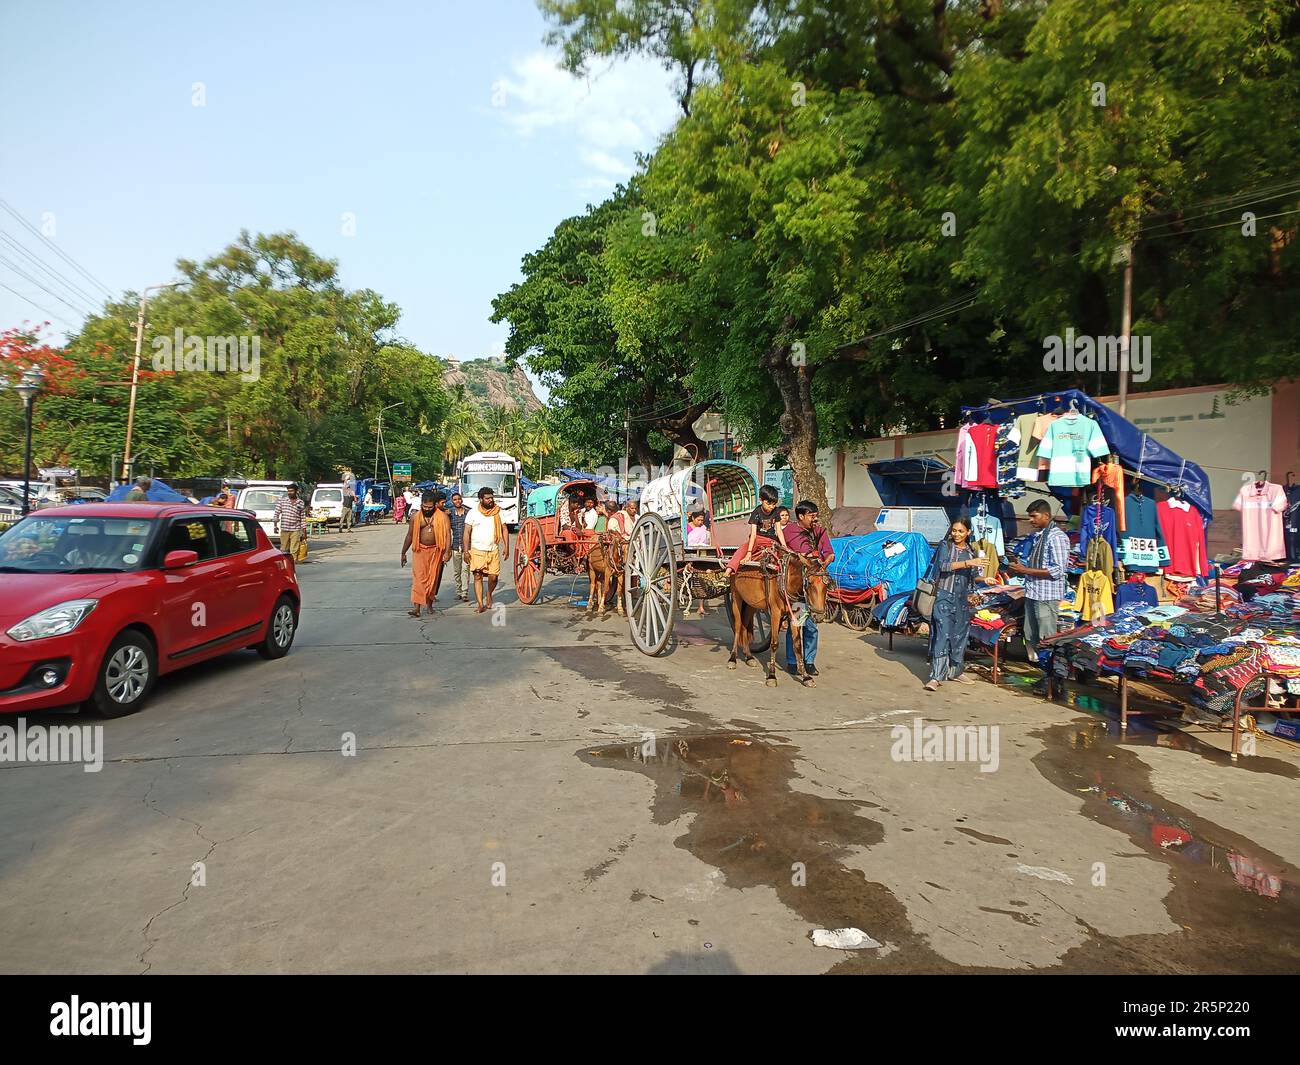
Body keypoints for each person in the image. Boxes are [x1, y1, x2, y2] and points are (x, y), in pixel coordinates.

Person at [923, 517, 999, 691]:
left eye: (961, 531)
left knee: (959, 636)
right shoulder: (945, 546)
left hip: (962, 600)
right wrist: (968, 562)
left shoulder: (971, 550)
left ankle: (955, 671)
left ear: (968, 533)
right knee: (942, 636)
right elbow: (943, 566)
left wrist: (984, 579)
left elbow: (972, 576)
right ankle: (936, 676)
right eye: (954, 530)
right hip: (943, 597)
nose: (956, 534)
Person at [1007, 499, 1071, 695]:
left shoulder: (1056, 537)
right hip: (1033, 593)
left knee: (1046, 638)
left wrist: (1025, 569)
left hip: (1047, 596)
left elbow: (1058, 570)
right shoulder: (1038, 537)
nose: (1030, 520)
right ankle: (1047, 675)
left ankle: (1053, 680)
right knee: (1032, 636)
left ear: (1046, 515)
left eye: (1034, 516)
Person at [781, 500, 836, 675]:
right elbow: (786, 554)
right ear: (801, 516)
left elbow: (829, 552)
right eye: (811, 516)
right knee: (796, 623)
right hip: (797, 587)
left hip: (815, 585)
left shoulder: (820, 532)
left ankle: (809, 661)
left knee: (812, 626)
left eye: (815, 516)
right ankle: (792, 660)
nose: (815, 519)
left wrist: (827, 560)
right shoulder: (789, 531)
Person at [401, 490, 452, 617]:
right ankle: (416, 608)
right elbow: (409, 535)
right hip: (420, 550)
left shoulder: (443, 517)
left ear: (435, 505)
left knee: (432, 579)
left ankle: (429, 604)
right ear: (421, 504)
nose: (427, 509)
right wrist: (403, 552)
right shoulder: (415, 517)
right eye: (424, 507)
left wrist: (447, 551)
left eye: (430, 507)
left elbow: (447, 536)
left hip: (436, 551)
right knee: (419, 578)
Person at [464, 486, 508, 613]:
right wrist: (466, 551)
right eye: (487, 498)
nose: (490, 500)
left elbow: (504, 529)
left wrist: (506, 547)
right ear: (480, 499)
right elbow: (467, 532)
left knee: (493, 577)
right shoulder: (473, 513)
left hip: (493, 548)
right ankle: (480, 604)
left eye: (491, 498)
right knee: (477, 576)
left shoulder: (498, 511)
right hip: (477, 549)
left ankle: (489, 594)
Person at [727, 483, 786, 573]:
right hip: (757, 539)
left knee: (786, 557)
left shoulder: (776, 511)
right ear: (761, 500)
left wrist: (784, 546)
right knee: (742, 549)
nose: (771, 507)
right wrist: (749, 552)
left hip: (771, 541)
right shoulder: (756, 512)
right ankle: (729, 569)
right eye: (768, 503)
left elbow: (779, 530)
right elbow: (753, 534)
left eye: (774, 504)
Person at [273, 483, 308, 560]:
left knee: (294, 550)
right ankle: (285, 564)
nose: (289, 493)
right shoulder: (282, 501)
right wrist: (275, 526)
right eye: (288, 491)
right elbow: (276, 514)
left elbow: (302, 517)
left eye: (291, 491)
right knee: (284, 549)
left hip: (296, 529)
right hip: (285, 528)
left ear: (296, 491)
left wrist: (304, 532)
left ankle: (292, 565)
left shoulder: (300, 502)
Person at [447, 491, 470, 602]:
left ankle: (465, 592)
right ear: (452, 501)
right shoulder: (450, 513)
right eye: (455, 499)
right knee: (457, 571)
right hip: (455, 546)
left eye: (459, 499)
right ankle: (458, 591)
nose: (457, 501)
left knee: (466, 570)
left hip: (467, 547)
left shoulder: (468, 513)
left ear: (462, 500)